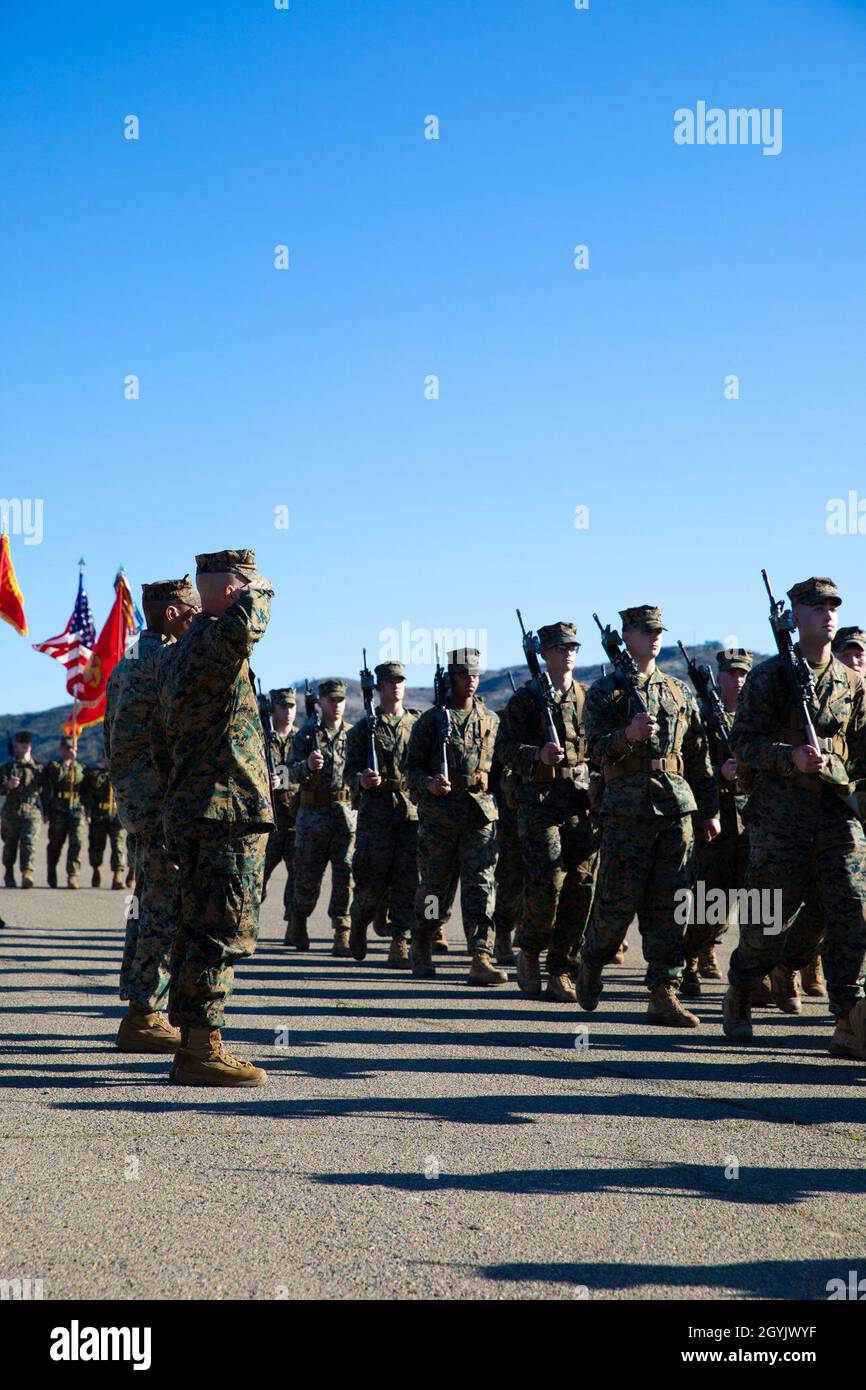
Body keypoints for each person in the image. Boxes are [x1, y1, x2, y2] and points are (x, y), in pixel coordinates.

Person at [723, 577, 866, 1060]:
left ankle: (848, 1016)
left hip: (835, 814)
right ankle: (742, 988)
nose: (828, 615)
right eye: (817, 607)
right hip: (780, 818)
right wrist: (790, 757)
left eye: (833, 607)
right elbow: (743, 746)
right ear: (795, 616)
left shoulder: (852, 682)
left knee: (853, 911)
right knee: (767, 924)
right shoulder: (770, 677)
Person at [160, 550, 274, 1086]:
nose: (259, 589)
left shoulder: (191, 646)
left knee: (197, 924)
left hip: (204, 807)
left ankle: (193, 1041)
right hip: (222, 809)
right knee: (219, 929)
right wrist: (262, 590)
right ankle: (202, 1049)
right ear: (232, 591)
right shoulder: (213, 641)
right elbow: (249, 623)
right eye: (248, 582)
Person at [576, 605, 720, 1027]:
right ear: (626, 635)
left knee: (671, 903)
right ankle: (592, 959)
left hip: (676, 808)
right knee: (616, 900)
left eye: (658, 630)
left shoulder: (678, 692)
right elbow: (594, 750)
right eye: (644, 630)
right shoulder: (606, 692)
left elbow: (698, 756)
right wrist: (628, 735)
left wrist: (709, 810)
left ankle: (663, 992)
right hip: (626, 809)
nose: (654, 636)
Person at [105, 574, 199, 1053]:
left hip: (139, 804)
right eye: (191, 613)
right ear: (170, 614)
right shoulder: (163, 660)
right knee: (164, 909)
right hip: (162, 805)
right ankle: (146, 1013)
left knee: (145, 907)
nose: (196, 620)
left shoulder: (127, 663)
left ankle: (141, 1010)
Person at [494, 622, 599, 1002]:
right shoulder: (526, 699)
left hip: (580, 801)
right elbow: (504, 749)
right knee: (548, 883)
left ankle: (561, 969)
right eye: (559, 648)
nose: (567, 652)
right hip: (540, 804)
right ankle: (530, 951)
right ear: (544, 654)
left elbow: (600, 745)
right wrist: (536, 755)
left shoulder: (589, 697)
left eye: (572, 647)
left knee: (582, 886)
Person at [406, 648, 505, 986]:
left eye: (475, 674)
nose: (471, 680)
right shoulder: (431, 721)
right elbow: (411, 770)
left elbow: (503, 768)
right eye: (465, 674)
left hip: (479, 814)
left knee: (480, 886)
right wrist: (428, 783)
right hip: (440, 816)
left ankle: (480, 955)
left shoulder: (491, 720)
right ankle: (423, 939)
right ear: (452, 677)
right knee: (435, 888)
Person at [681, 649, 752, 997]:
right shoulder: (705, 717)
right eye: (732, 673)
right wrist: (721, 777)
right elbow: (693, 765)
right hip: (718, 817)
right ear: (720, 676)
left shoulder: (758, 717)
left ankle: (758, 974)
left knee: (755, 899)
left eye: (743, 674)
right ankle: (690, 957)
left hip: (754, 818)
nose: (738, 680)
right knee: (711, 897)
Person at [345, 660, 420, 969]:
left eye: (400, 680)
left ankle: (400, 940)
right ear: (378, 688)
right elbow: (348, 772)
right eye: (390, 682)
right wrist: (360, 781)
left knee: (407, 879)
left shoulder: (417, 725)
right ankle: (360, 921)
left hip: (409, 813)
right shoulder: (364, 728)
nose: (396, 686)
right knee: (370, 879)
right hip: (376, 814)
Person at [288, 679, 356, 955]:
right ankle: (299, 919)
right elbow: (287, 773)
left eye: (341, 700)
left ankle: (342, 930)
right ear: (320, 703)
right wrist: (306, 766)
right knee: (307, 875)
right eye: (331, 700)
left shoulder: (354, 734)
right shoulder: (304, 736)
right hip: (312, 815)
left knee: (345, 874)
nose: (337, 705)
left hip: (343, 815)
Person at [261, 688, 300, 941]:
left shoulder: (304, 738)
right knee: (257, 877)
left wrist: (284, 778)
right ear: (272, 710)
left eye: (292, 707)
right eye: (283, 707)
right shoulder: (261, 738)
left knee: (298, 877)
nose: (288, 712)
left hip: (296, 818)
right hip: (268, 822)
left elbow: (309, 772)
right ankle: (246, 922)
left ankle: (294, 924)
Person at [43, 735, 88, 889]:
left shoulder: (81, 768)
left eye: (73, 748)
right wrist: (67, 762)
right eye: (67, 748)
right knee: (56, 843)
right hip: (59, 809)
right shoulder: (54, 765)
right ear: (62, 749)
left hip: (76, 809)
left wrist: (87, 811)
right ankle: (52, 869)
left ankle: (73, 875)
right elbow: (57, 779)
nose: (70, 751)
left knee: (77, 841)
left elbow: (86, 790)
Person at [0, 731, 42, 889]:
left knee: (29, 842)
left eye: (27, 743)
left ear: (31, 746)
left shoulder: (38, 768)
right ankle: (8, 871)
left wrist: (47, 811)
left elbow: (45, 789)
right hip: (11, 811)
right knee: (10, 845)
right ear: (16, 745)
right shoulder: (7, 768)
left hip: (31, 810)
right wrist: (8, 786)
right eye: (22, 743)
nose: (25, 746)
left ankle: (27, 872)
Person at [83, 760, 128, 888]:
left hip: (116, 814)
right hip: (99, 815)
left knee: (118, 845)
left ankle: (117, 876)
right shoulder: (96, 776)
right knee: (96, 846)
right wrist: (88, 812)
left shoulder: (122, 775)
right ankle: (96, 869)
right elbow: (90, 792)